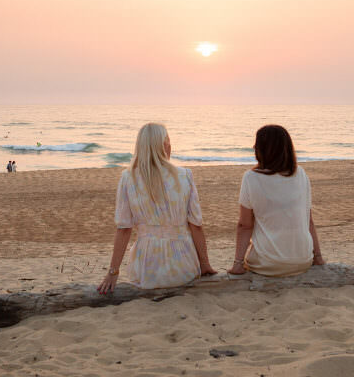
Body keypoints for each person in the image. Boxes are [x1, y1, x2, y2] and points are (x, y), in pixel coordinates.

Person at [98, 123, 216, 293]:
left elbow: (124, 229)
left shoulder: (128, 177)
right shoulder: (185, 175)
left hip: (146, 266)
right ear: (163, 145)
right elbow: (195, 224)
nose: (170, 145)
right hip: (183, 265)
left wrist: (113, 272)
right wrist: (204, 264)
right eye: (168, 140)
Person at [228, 125, 325, 277]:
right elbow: (309, 220)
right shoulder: (300, 174)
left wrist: (237, 264)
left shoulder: (251, 177)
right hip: (303, 260)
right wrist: (318, 257)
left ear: (260, 149)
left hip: (268, 263)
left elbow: (244, 225)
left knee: (254, 256)